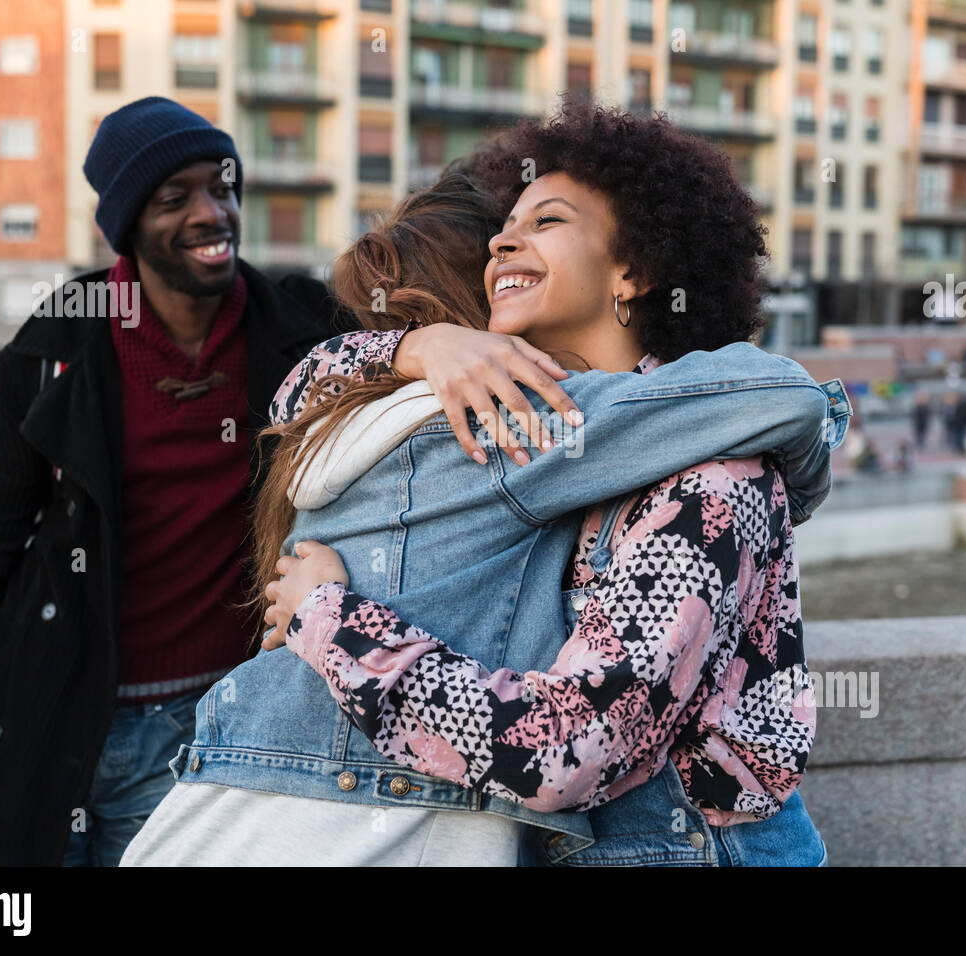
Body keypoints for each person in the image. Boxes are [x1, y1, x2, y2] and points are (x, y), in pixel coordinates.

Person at [123, 103, 845, 867]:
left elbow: (568, 750)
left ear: (633, 271)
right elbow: (299, 398)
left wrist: (330, 622)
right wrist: (419, 346)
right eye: (506, 225)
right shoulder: (535, 432)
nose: (505, 239)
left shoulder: (712, 474)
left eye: (548, 222)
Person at [0, 97, 350, 866]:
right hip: (53, 729)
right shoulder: (58, 345)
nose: (214, 213)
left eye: (224, 186)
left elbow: (407, 335)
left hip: (218, 735)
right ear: (128, 225)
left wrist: (434, 344)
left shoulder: (302, 328)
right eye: (177, 198)